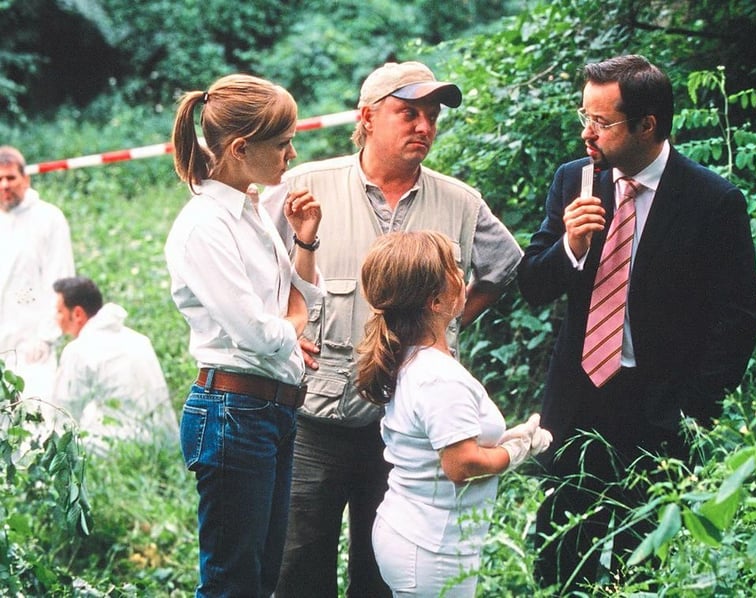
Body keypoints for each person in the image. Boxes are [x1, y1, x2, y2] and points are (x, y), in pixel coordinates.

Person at [261, 60, 524, 598]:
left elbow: (504, 264)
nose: (424, 126)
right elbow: (253, 265)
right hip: (317, 414)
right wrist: (280, 327)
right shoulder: (306, 187)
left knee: (383, 570)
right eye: (409, 113)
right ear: (367, 116)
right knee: (298, 562)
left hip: (407, 430)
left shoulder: (459, 200)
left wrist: (449, 321)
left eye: (431, 115)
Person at [517, 55, 756, 591]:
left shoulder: (712, 201)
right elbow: (532, 285)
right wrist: (570, 246)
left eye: (602, 123)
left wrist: (691, 408)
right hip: (578, 400)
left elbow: (738, 320)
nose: (587, 133)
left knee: (642, 565)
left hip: (658, 413)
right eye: (585, 115)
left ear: (647, 124)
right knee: (560, 557)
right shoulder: (574, 180)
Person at [164, 73, 323, 597]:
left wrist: (305, 242)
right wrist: (289, 329)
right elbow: (260, 331)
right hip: (233, 414)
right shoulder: (205, 226)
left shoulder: (250, 211)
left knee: (259, 576)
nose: (292, 154)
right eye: (282, 144)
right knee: (233, 583)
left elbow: (296, 300)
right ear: (239, 148)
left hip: (269, 411)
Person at [355, 230, 552, 597]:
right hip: (432, 549)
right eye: (453, 269)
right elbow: (461, 465)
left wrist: (506, 438)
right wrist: (516, 452)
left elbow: (441, 443)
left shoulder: (415, 359)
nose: (462, 277)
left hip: (416, 535)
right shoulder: (440, 378)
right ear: (435, 301)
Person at [51, 276, 178, 450]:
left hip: (115, 449)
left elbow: (64, 413)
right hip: (160, 445)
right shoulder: (139, 340)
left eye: (59, 312)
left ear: (78, 314)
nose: (56, 319)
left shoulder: (78, 350)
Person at [0, 145, 75, 403]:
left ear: (25, 178)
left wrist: (45, 338)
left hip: (34, 346)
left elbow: (61, 280)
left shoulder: (48, 218)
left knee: (35, 423)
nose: (4, 185)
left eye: (10, 177)